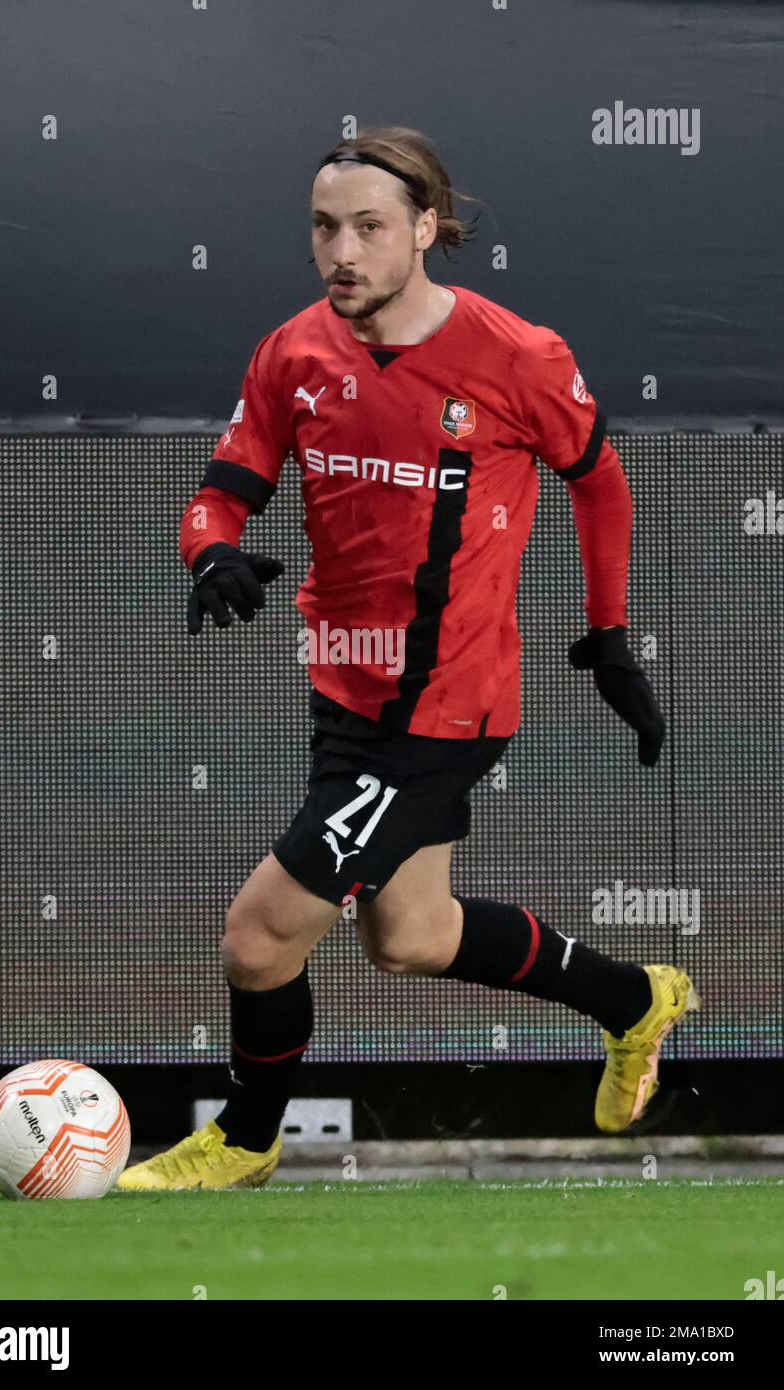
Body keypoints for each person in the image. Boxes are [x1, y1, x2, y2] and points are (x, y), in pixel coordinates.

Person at [117, 125, 698, 1193]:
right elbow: (226, 482)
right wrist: (208, 551)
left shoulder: (515, 356)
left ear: (425, 229)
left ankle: (245, 1139)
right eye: (324, 228)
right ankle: (631, 999)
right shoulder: (293, 351)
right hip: (344, 684)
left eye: (369, 227)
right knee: (412, 936)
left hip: (443, 702)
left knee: (257, 938)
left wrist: (608, 632)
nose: (342, 250)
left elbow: (599, 480)